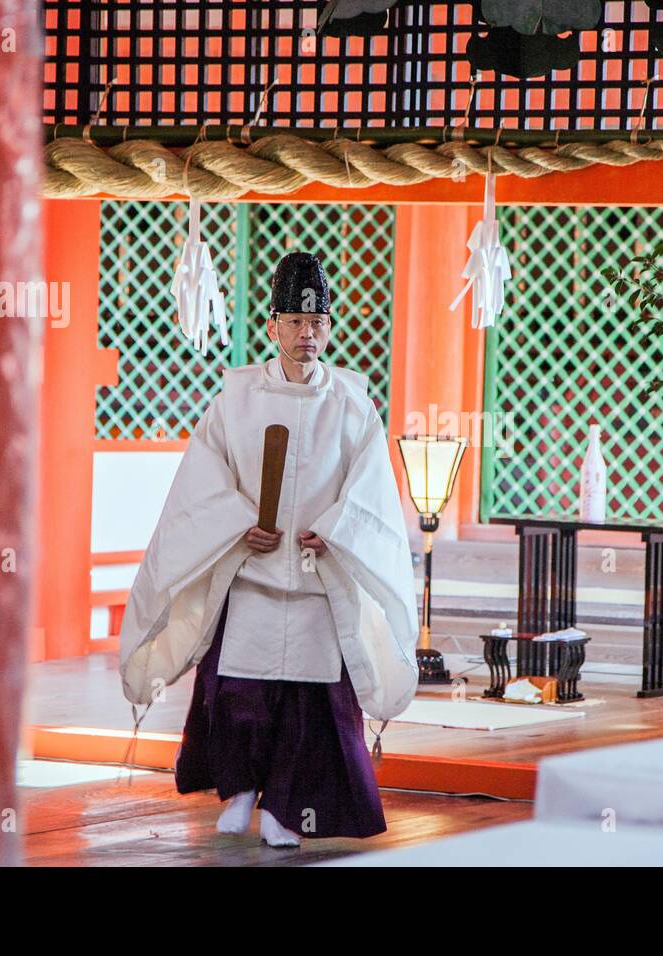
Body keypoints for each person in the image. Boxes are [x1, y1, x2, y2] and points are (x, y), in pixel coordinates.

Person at [118, 251, 419, 848]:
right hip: (251, 574)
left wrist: (335, 527)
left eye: (318, 324)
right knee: (239, 695)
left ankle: (286, 809)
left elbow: (372, 494)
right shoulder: (234, 402)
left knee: (307, 707)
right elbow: (202, 481)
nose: (308, 335)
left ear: (329, 328)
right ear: (273, 326)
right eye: (296, 323)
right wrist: (236, 524)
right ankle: (241, 793)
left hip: (314, 579)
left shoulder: (353, 406)